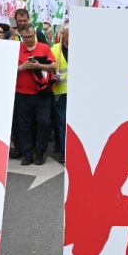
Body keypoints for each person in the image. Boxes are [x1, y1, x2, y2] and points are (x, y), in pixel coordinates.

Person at [14, 24, 57, 165]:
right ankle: (27, 154)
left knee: (45, 123)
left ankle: (40, 151)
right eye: (26, 37)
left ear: (35, 34)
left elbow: (54, 66)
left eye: (31, 36)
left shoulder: (44, 48)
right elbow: (8, 69)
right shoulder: (17, 49)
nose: (29, 39)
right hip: (22, 94)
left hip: (41, 93)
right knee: (24, 125)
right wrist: (21, 67)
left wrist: (39, 66)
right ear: (21, 36)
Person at [51, 24, 69, 163]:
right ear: (63, 34)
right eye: (68, 34)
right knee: (62, 123)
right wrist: (53, 74)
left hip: (77, 95)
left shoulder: (82, 48)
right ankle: (64, 152)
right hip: (60, 93)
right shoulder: (55, 49)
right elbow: (49, 67)